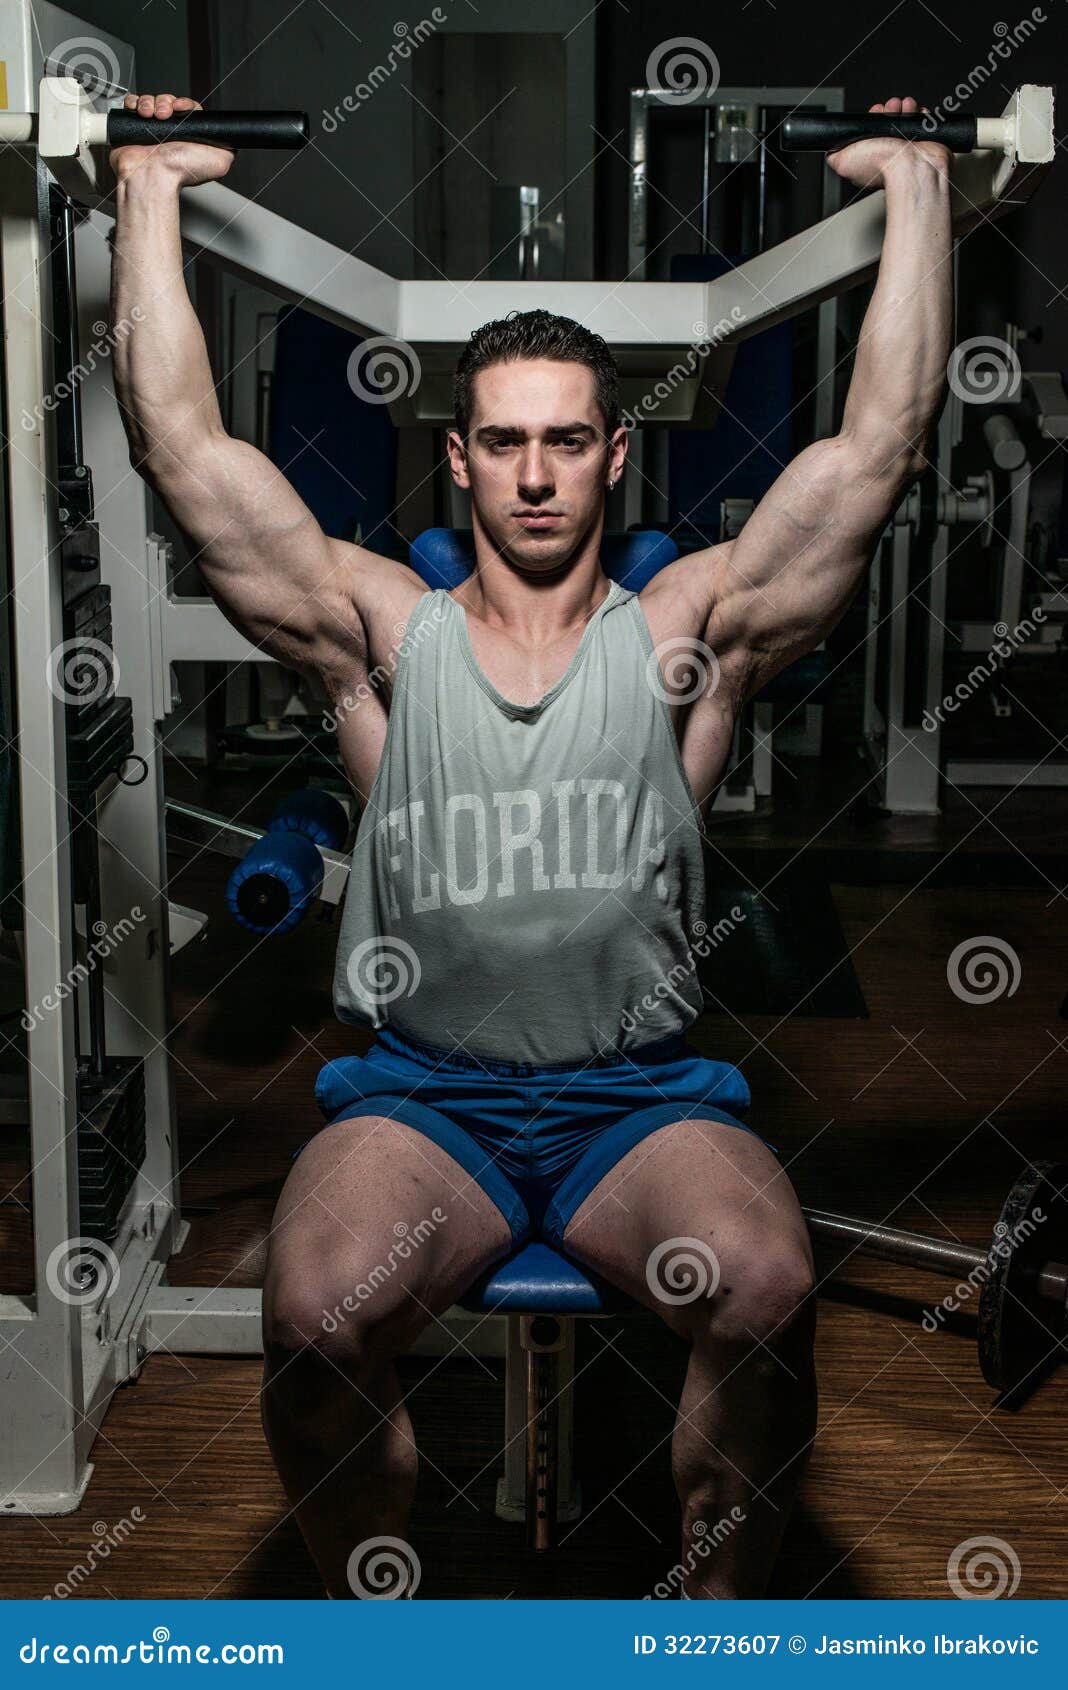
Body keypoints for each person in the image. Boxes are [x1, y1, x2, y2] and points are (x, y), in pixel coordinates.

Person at [109, 92, 952, 1599]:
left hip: (636, 1101)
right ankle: (391, 1615)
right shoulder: (382, 637)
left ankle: (711, 1610)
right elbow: (186, 453)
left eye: (569, 440)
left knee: (761, 1285)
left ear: (617, 457)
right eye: (506, 443)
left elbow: (879, 446)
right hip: (427, 1099)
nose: (540, 474)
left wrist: (916, 181)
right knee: (310, 1317)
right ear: (460, 462)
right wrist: (150, 189)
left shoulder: (687, 635)